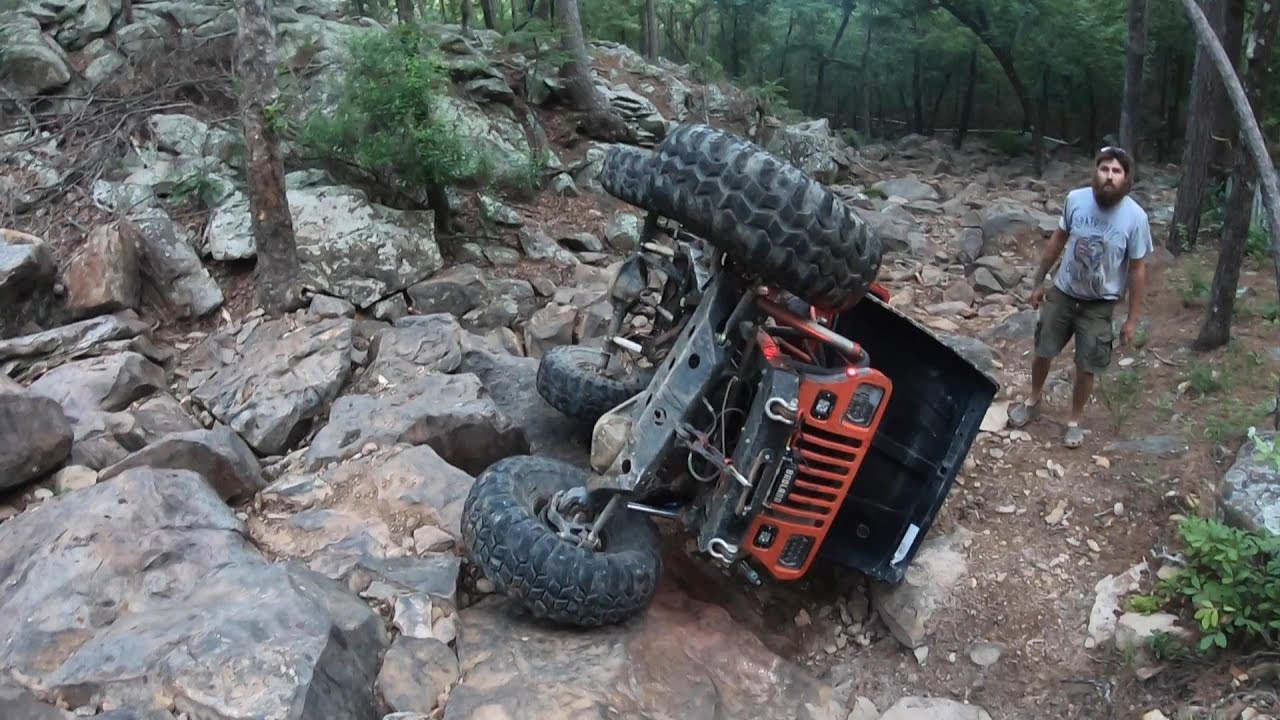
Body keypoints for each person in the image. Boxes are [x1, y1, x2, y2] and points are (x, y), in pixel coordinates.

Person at [1007, 146, 1152, 447]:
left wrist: (1132, 320)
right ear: (1095, 171)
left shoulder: (1136, 218)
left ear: (1126, 179)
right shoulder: (1076, 199)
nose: (1109, 176)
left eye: (1116, 171)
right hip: (1063, 291)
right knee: (1043, 350)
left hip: (1100, 304)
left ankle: (1073, 421)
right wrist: (1038, 281)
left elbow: (1137, 270)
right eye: (1105, 169)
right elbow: (1058, 240)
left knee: (1087, 365)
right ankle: (1033, 400)